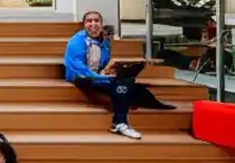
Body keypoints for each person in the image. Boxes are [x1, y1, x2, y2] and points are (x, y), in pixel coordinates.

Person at [63, 10, 173, 140]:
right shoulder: (76, 42)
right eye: (89, 21)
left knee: (128, 82)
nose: (93, 24)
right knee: (120, 84)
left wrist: (110, 70)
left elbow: (102, 64)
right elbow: (78, 68)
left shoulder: (105, 42)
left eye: (96, 21)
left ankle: (125, 108)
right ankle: (120, 122)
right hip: (81, 77)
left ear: (101, 24)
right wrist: (104, 78)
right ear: (84, 24)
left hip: (99, 75)